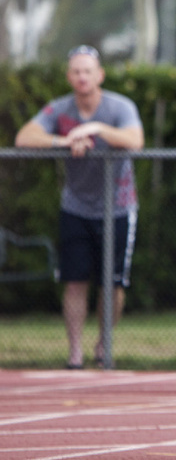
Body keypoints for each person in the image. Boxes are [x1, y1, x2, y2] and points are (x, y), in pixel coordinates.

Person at [15, 45, 145, 370]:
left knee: (112, 283)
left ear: (99, 75)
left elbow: (135, 140)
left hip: (118, 208)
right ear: (69, 76)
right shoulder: (60, 110)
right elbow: (25, 137)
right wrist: (64, 140)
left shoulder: (119, 107)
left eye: (88, 71)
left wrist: (97, 129)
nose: (82, 77)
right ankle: (75, 354)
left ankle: (104, 345)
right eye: (76, 71)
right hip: (75, 207)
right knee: (74, 281)